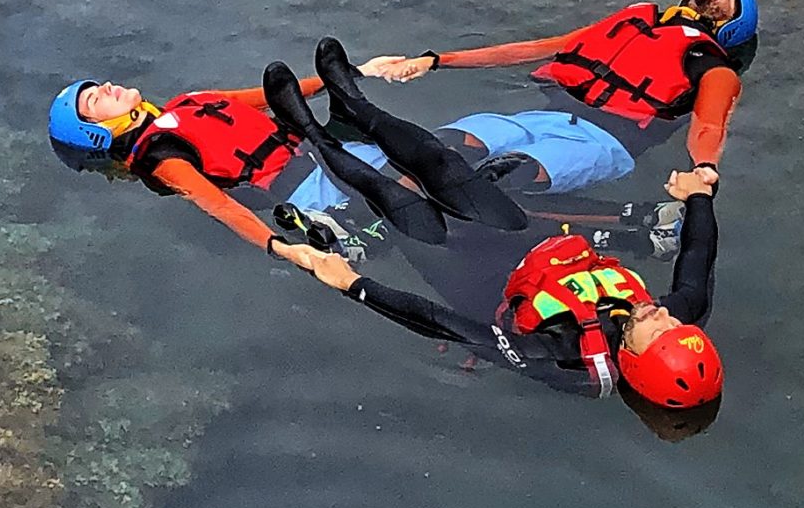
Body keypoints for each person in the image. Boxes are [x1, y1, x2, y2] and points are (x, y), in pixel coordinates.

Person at [45, 39, 529, 277]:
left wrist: (359, 71)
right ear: (98, 131)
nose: (106, 87)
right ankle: (472, 219)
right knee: (413, 184)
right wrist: (282, 248)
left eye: (97, 86)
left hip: (324, 151)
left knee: (433, 155)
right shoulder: (161, 158)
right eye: (95, 101)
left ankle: (479, 198)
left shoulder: (192, 102)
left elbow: (282, 94)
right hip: (306, 190)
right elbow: (221, 206)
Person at [292, 166, 723, 425]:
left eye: (658, 329)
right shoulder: (674, 316)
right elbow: (699, 255)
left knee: (412, 224)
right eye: (675, 324)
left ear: (634, 361)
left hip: (485, 298)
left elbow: (448, 325)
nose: (661, 313)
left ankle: (360, 221)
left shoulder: (565, 365)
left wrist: (353, 286)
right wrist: (700, 195)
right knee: (470, 199)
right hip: (544, 266)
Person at [354, 0, 758, 200]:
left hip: (605, 144)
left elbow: (709, 124)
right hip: (543, 115)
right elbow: (533, 50)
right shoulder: (635, 19)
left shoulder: (713, 65)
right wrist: (437, 60)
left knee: (505, 171)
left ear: (731, 25)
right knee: (445, 143)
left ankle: (421, 217)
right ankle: (368, 212)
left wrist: (705, 169)